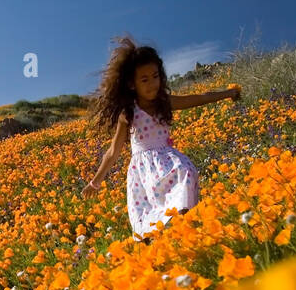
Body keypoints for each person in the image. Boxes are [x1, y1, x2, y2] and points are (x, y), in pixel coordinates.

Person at [83, 35, 240, 240]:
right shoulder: (128, 113)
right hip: (144, 172)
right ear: (132, 84)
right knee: (150, 222)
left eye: (155, 76)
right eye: (144, 79)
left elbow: (198, 98)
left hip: (168, 162)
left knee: (185, 172)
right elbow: (113, 152)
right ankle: (162, 244)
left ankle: (182, 230)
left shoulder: (164, 103)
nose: (152, 84)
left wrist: (228, 93)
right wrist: (95, 182)